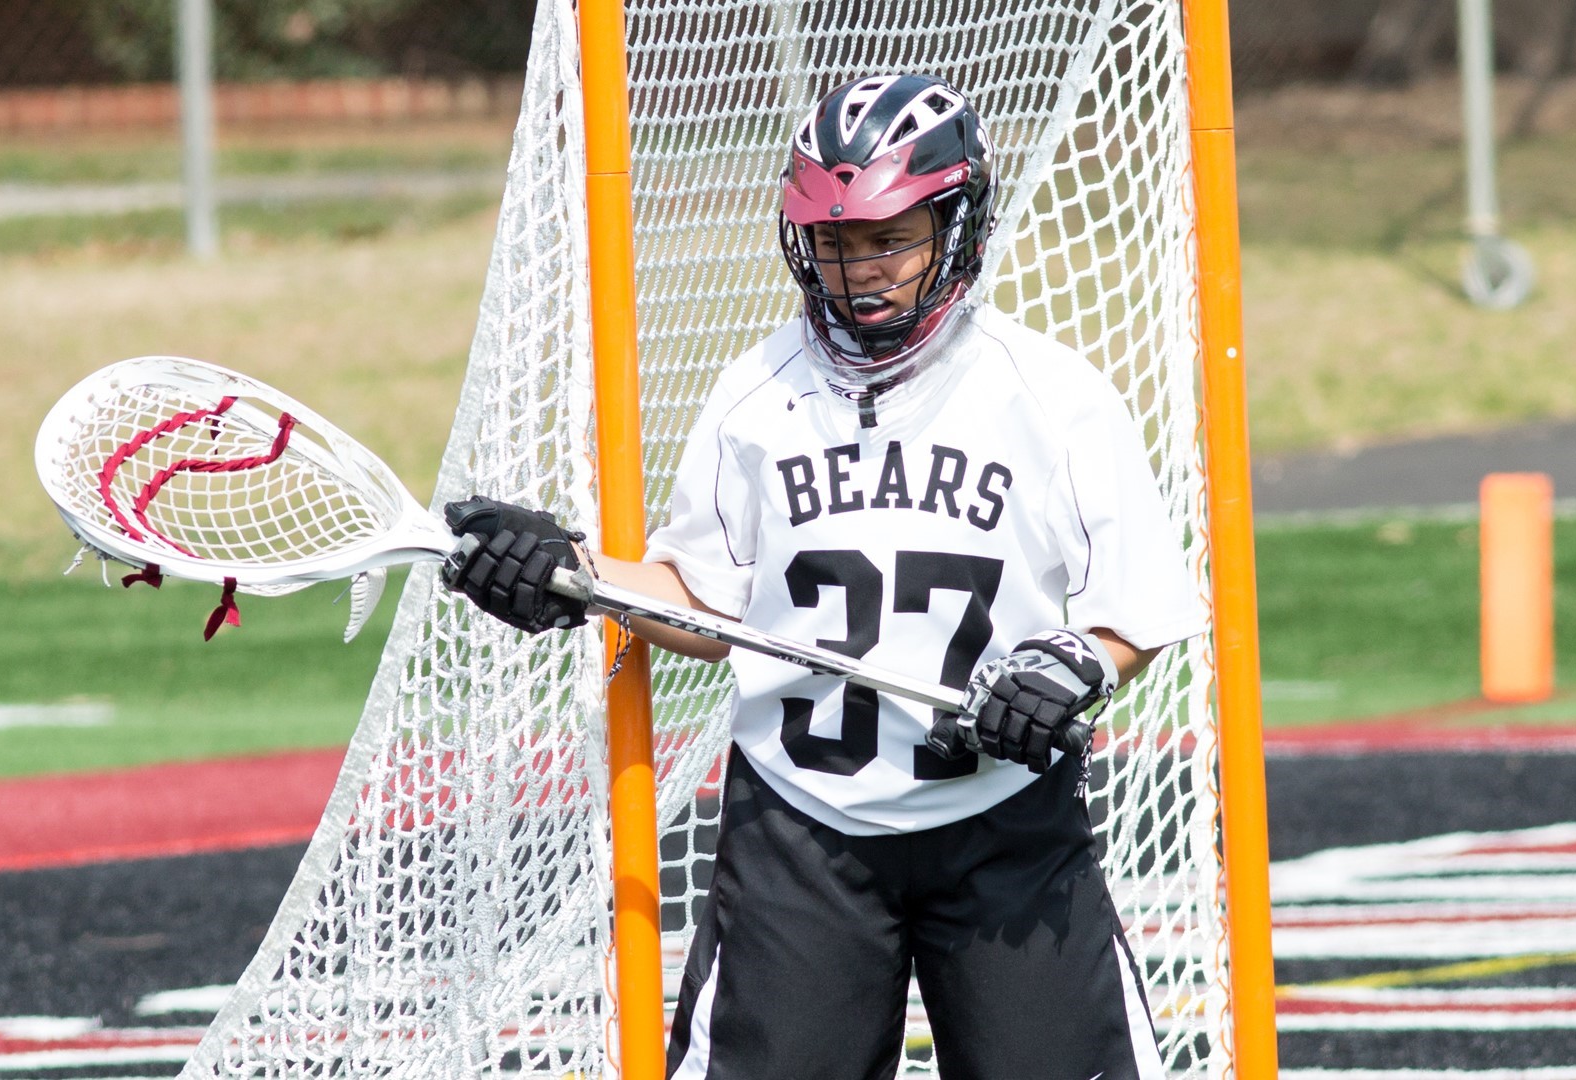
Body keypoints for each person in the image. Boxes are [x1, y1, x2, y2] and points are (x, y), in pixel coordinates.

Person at [443, 72, 1206, 1080]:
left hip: (1002, 827)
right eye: (839, 245)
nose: (864, 273)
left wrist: (1074, 664)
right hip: (803, 831)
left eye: (890, 239)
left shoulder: (1052, 397)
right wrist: (575, 578)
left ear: (957, 227)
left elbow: (1139, 608)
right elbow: (707, 608)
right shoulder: (754, 395)